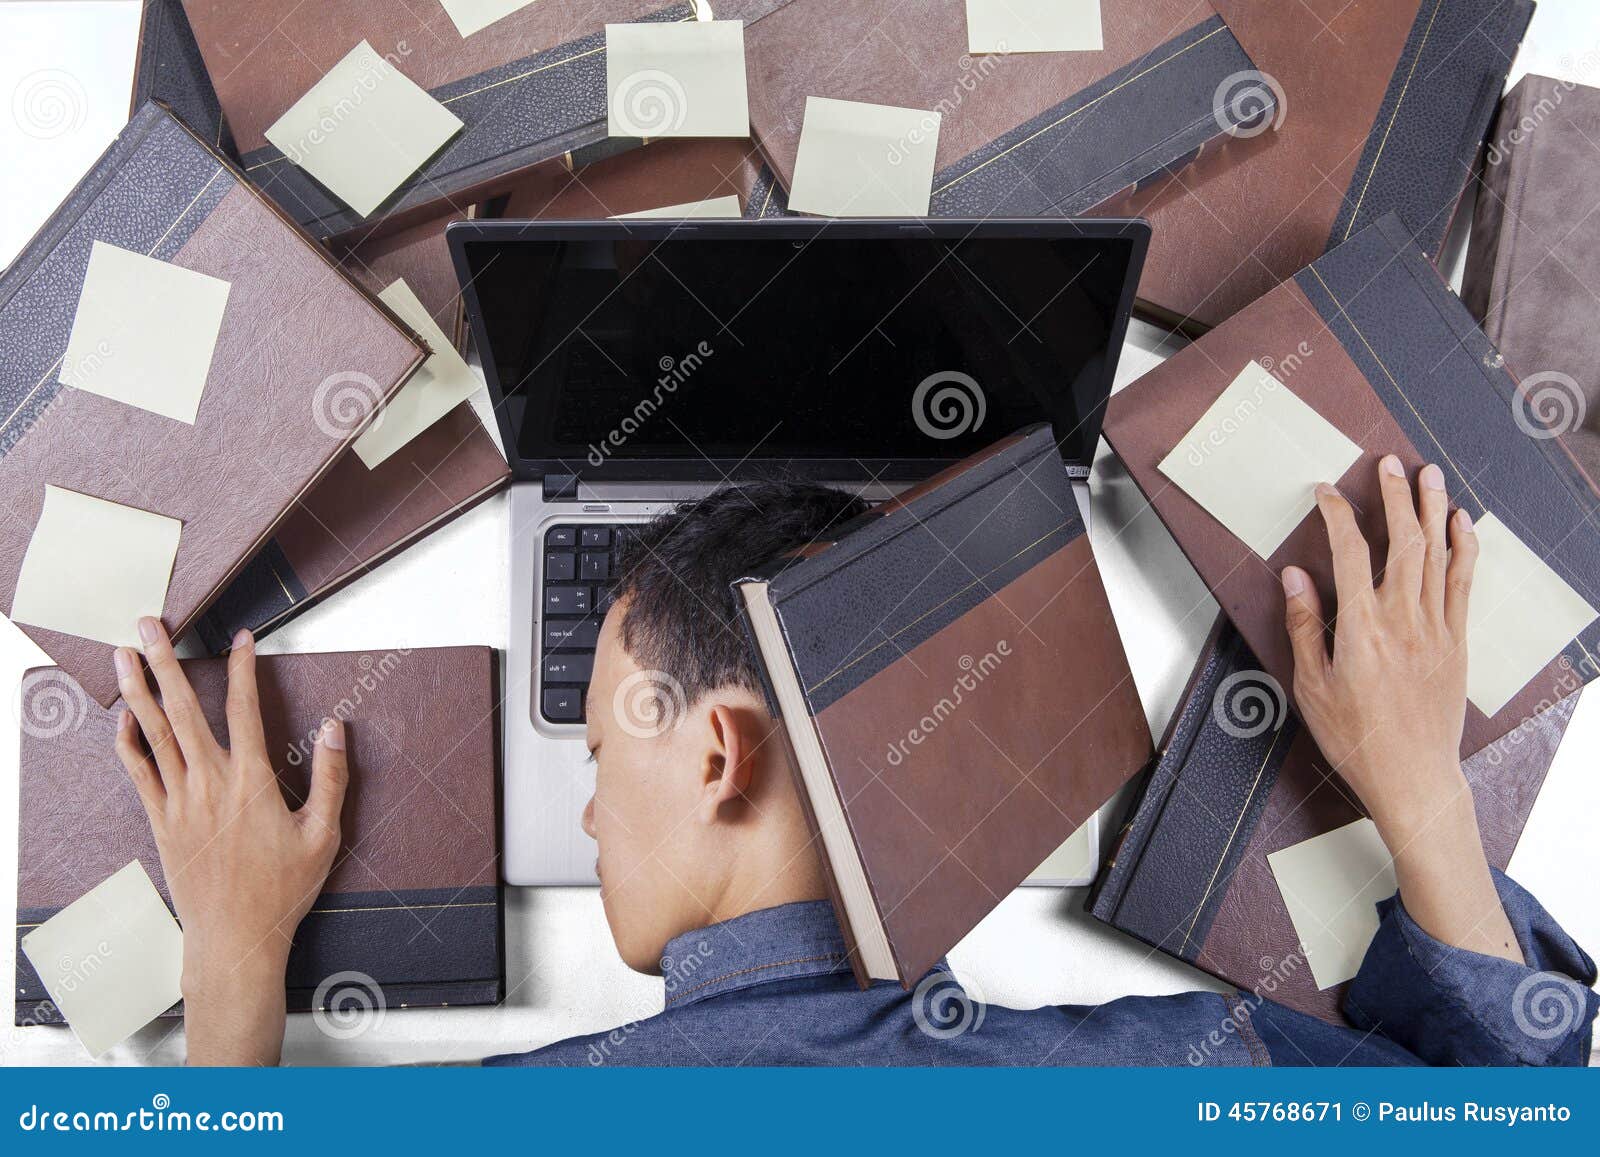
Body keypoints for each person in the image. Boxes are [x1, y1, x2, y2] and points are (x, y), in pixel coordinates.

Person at [111, 458, 1598, 1066]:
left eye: (598, 739)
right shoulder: (1152, 1075)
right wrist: (1418, 782)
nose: (584, 797)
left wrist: (237, 948)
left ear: (718, 750)